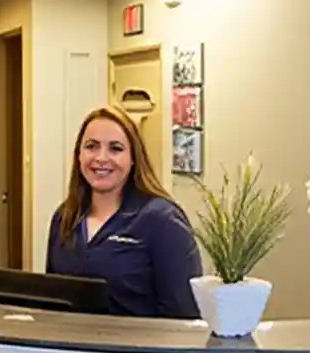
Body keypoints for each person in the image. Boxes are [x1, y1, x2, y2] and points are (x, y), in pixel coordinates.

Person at [46, 106, 203, 319]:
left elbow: (184, 317)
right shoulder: (65, 217)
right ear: (79, 155)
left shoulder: (162, 221)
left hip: (137, 351)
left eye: (115, 148)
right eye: (91, 146)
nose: (101, 158)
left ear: (133, 158)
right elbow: (52, 306)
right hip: (71, 349)